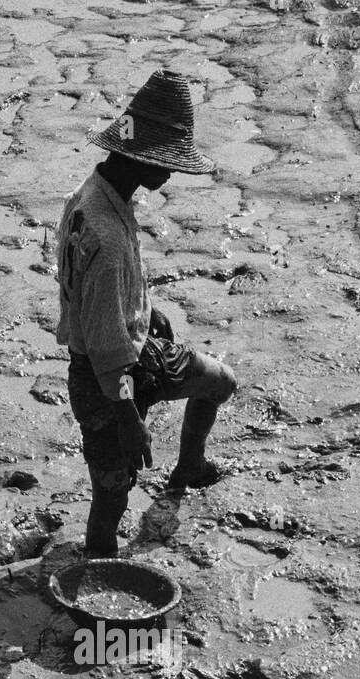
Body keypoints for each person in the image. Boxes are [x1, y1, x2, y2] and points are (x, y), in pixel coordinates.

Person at [55, 69, 237, 558]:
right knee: (111, 496)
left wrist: (147, 311)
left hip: (140, 347)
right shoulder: (107, 237)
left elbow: (90, 292)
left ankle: (190, 466)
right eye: (169, 164)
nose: (172, 173)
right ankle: (98, 570)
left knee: (220, 381)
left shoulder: (92, 193)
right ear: (143, 159)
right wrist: (129, 418)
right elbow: (103, 346)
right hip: (106, 381)